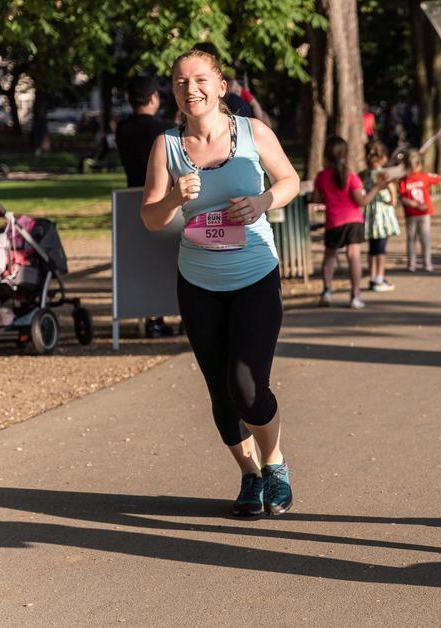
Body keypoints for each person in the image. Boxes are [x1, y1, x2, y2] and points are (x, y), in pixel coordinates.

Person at [140, 49, 300, 517]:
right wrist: (173, 198)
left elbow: (290, 180)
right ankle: (250, 475)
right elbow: (150, 218)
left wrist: (263, 201)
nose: (190, 89)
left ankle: (274, 463)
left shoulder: (252, 132)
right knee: (221, 391)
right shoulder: (166, 146)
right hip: (198, 283)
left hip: (255, 275)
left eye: (200, 80)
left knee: (247, 385)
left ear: (221, 86)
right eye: (180, 82)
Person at [116, 75, 178, 338]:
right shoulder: (164, 130)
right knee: (168, 259)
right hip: (164, 201)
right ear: (154, 98)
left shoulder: (122, 129)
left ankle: (152, 317)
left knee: (142, 261)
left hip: (130, 200)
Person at [314, 136, 390, 309]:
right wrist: (376, 188)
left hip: (334, 221)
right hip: (354, 221)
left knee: (329, 257)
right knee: (354, 257)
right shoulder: (351, 176)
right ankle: (355, 295)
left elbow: (317, 199)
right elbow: (361, 202)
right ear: (346, 154)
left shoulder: (322, 177)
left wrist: (331, 199)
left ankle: (326, 292)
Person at [398, 149, 441, 272]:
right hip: (411, 215)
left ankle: (426, 262)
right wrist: (415, 204)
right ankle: (411, 264)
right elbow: (402, 198)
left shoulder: (425, 176)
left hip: (424, 215)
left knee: (424, 239)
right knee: (411, 240)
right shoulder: (404, 180)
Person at [361, 141, 399, 292]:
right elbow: (391, 190)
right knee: (381, 250)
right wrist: (393, 201)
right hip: (382, 215)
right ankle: (380, 278)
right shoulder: (383, 174)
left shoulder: (365, 174)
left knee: (372, 249)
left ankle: (372, 278)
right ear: (382, 157)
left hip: (370, 215)